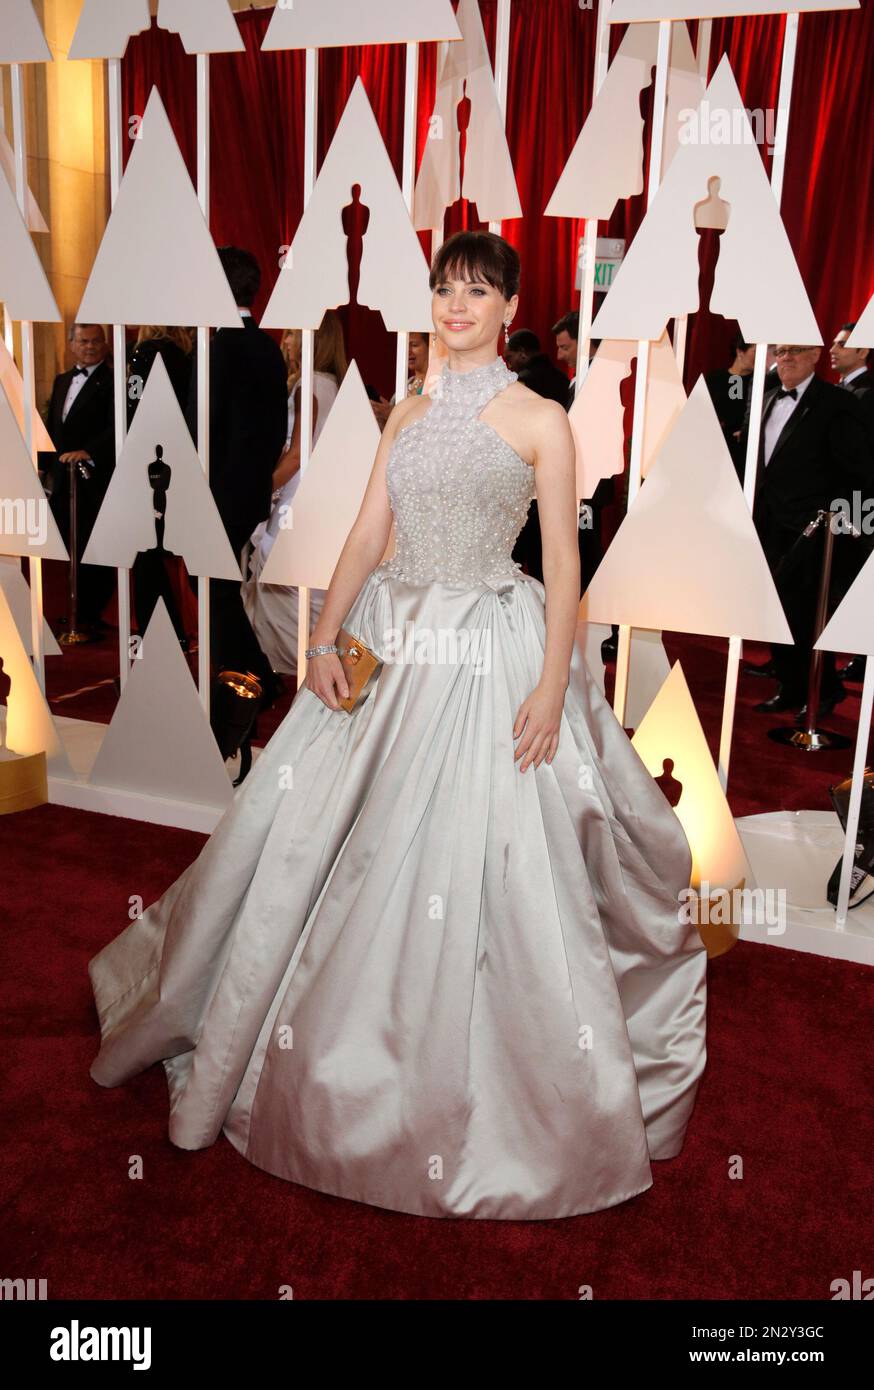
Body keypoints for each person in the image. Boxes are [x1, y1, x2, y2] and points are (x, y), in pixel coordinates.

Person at [88, 230, 707, 1221]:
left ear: (510, 310)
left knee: (493, 853)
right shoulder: (405, 413)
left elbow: (562, 572)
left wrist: (552, 689)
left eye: (477, 291)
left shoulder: (545, 421)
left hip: (491, 642)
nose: (456, 305)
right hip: (390, 641)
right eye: (443, 288)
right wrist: (324, 636)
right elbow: (370, 532)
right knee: (313, 840)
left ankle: (502, 1096)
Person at [740, 344, 872, 720]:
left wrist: (839, 524)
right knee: (773, 610)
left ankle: (824, 688)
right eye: (780, 352)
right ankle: (790, 684)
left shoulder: (836, 402)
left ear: (816, 354)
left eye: (796, 351)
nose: (786, 359)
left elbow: (855, 468)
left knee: (807, 613)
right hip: (766, 524)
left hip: (814, 531)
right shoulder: (764, 398)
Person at [185, 247, 288, 711]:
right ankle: (252, 674)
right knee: (217, 583)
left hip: (217, 491)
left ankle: (251, 678)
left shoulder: (216, 347)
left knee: (210, 583)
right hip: (252, 489)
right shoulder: (267, 346)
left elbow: (198, 427)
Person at [241, 311, 345, 675]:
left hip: (297, 491)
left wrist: (262, 488)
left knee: (281, 574)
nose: (284, 341)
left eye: (290, 334)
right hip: (324, 493)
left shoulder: (307, 385)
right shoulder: (334, 383)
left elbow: (299, 452)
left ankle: (289, 660)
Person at [39, 323, 116, 634]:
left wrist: (89, 451)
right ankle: (76, 608)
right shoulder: (61, 381)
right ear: (72, 344)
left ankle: (91, 611)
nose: (90, 347)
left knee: (92, 544)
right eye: (83, 341)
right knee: (68, 543)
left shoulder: (112, 382)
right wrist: (43, 465)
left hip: (93, 477)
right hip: (62, 478)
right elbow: (51, 429)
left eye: (96, 341)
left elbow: (116, 427)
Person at [127, 326, 193, 645]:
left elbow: (137, 409)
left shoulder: (147, 353)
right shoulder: (187, 355)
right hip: (180, 458)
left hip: (150, 460)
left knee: (146, 551)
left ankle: (159, 633)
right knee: (155, 551)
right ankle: (171, 631)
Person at [705, 331, 756, 469]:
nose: (761, 356)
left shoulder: (761, 383)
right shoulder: (714, 379)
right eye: (755, 351)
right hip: (712, 450)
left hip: (743, 453)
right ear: (740, 351)